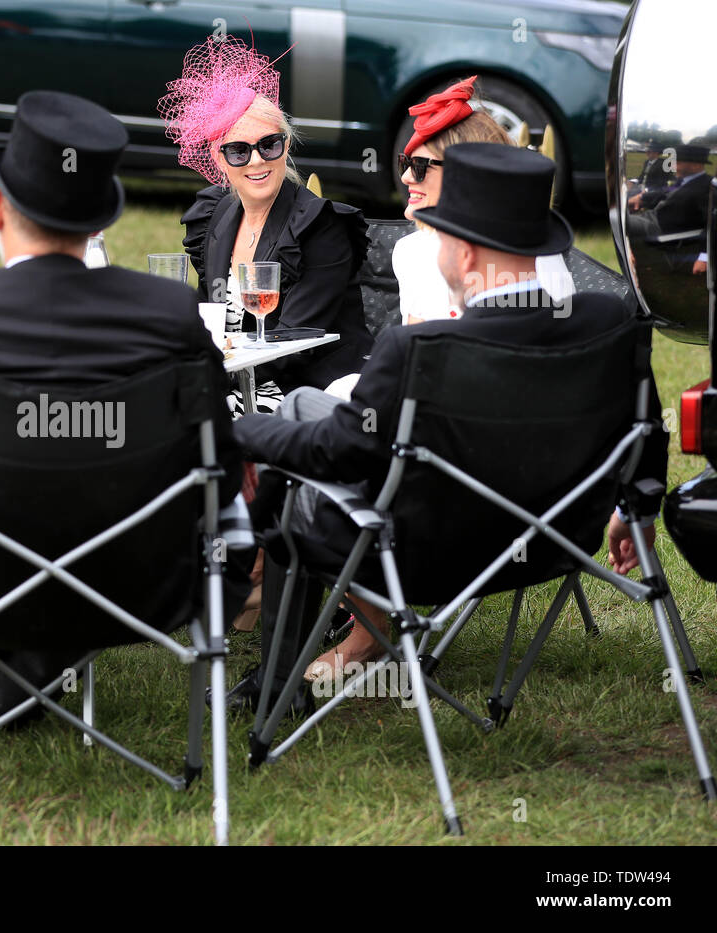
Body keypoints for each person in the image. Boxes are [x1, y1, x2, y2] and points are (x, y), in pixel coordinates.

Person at [0, 90, 253, 727]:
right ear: (99, 224)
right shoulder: (172, 316)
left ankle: (25, 666)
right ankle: (38, 666)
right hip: (140, 582)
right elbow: (219, 469)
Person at [233, 143, 667, 697]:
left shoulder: (418, 347)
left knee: (291, 483)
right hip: (555, 540)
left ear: (462, 254)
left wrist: (242, 433)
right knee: (299, 408)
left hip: (421, 557)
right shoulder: (612, 325)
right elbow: (645, 428)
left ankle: (276, 683)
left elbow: (336, 452)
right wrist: (639, 507)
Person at [161, 37, 373, 393]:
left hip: (305, 388)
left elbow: (293, 344)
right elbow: (208, 318)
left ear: (286, 146)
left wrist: (210, 378)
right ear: (218, 159)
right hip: (232, 379)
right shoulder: (214, 215)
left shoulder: (319, 225)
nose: (257, 160)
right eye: (239, 151)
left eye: (269, 144)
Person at [394, 75, 573, 326]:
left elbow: (550, 339)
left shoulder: (530, 252)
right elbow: (413, 351)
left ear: (468, 173)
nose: (405, 177)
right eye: (406, 162)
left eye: (420, 166)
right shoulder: (409, 251)